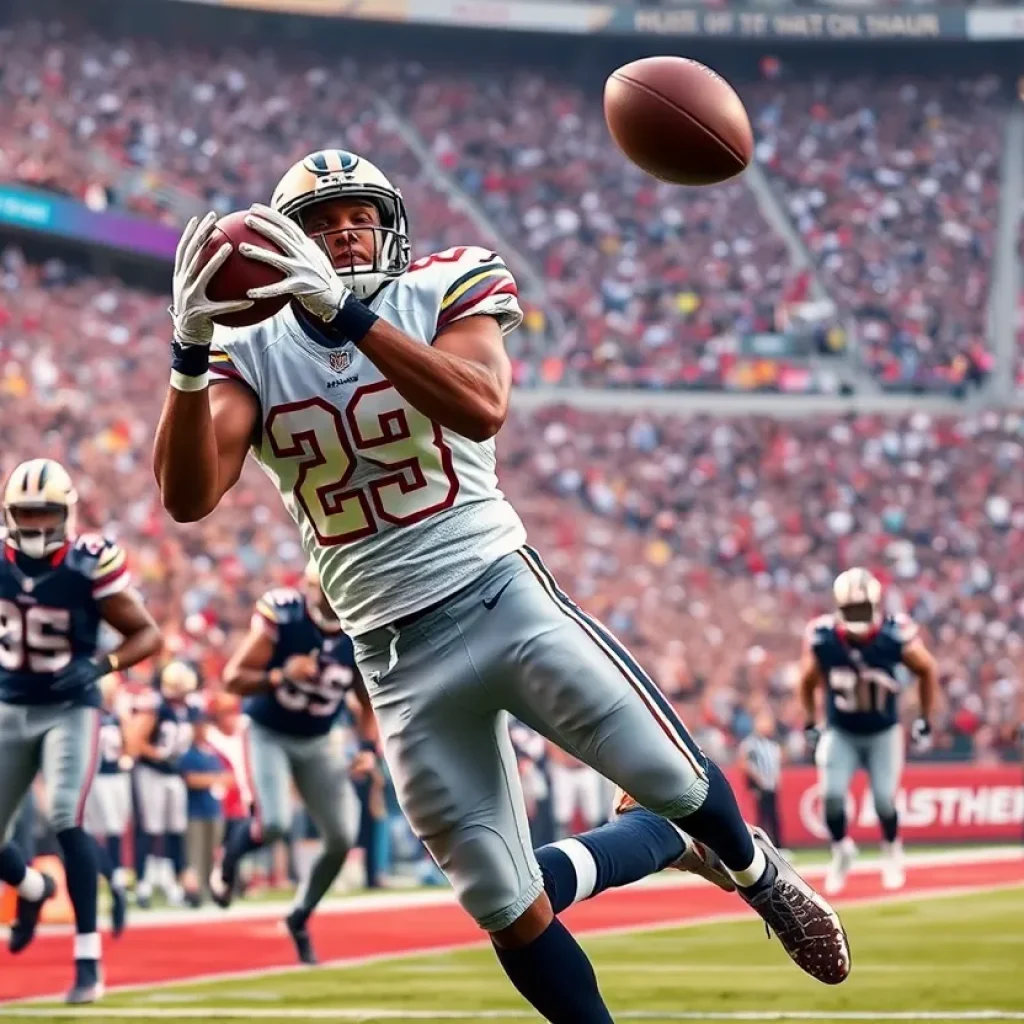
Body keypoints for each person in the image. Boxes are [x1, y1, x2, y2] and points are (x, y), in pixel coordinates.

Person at [153, 149, 850, 1022]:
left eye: (361, 217)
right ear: (287, 244)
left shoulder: (441, 286)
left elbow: (481, 405)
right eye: (323, 225)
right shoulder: (253, 350)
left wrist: (351, 316)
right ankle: (656, 844)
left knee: (669, 772)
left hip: (497, 593)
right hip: (391, 654)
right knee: (507, 905)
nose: (347, 235)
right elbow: (188, 498)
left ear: (392, 224)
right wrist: (188, 354)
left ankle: (757, 874)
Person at [0, 459, 163, 1003]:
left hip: (70, 707)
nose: (35, 524)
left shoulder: (88, 562)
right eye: (25, 513)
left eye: (44, 512)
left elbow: (146, 634)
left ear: (66, 514)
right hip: (11, 703)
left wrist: (99, 666)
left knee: (65, 816)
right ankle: (33, 889)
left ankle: (88, 959)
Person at [213, 562, 373, 964]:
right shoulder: (286, 615)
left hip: (320, 740)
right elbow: (233, 678)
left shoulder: (359, 627)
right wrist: (279, 674)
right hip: (268, 732)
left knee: (342, 836)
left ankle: (299, 916)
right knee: (274, 824)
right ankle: (230, 857)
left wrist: (367, 747)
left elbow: (369, 702)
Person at [801, 568, 937, 894]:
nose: (857, 616)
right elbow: (806, 680)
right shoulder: (824, 638)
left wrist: (924, 716)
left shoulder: (894, 635)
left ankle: (892, 852)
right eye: (852, 609)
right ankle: (841, 851)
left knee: (884, 802)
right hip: (841, 730)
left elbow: (926, 668)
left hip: (883, 732)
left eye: (862, 608)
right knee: (832, 797)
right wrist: (810, 720)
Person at [738, 711, 784, 849]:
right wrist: (757, 779)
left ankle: (778, 846)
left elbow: (777, 763)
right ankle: (759, 846)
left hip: (771, 785)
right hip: (759, 785)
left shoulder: (773, 744)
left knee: (774, 817)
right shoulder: (751, 743)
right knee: (761, 817)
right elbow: (745, 762)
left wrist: (776, 779)